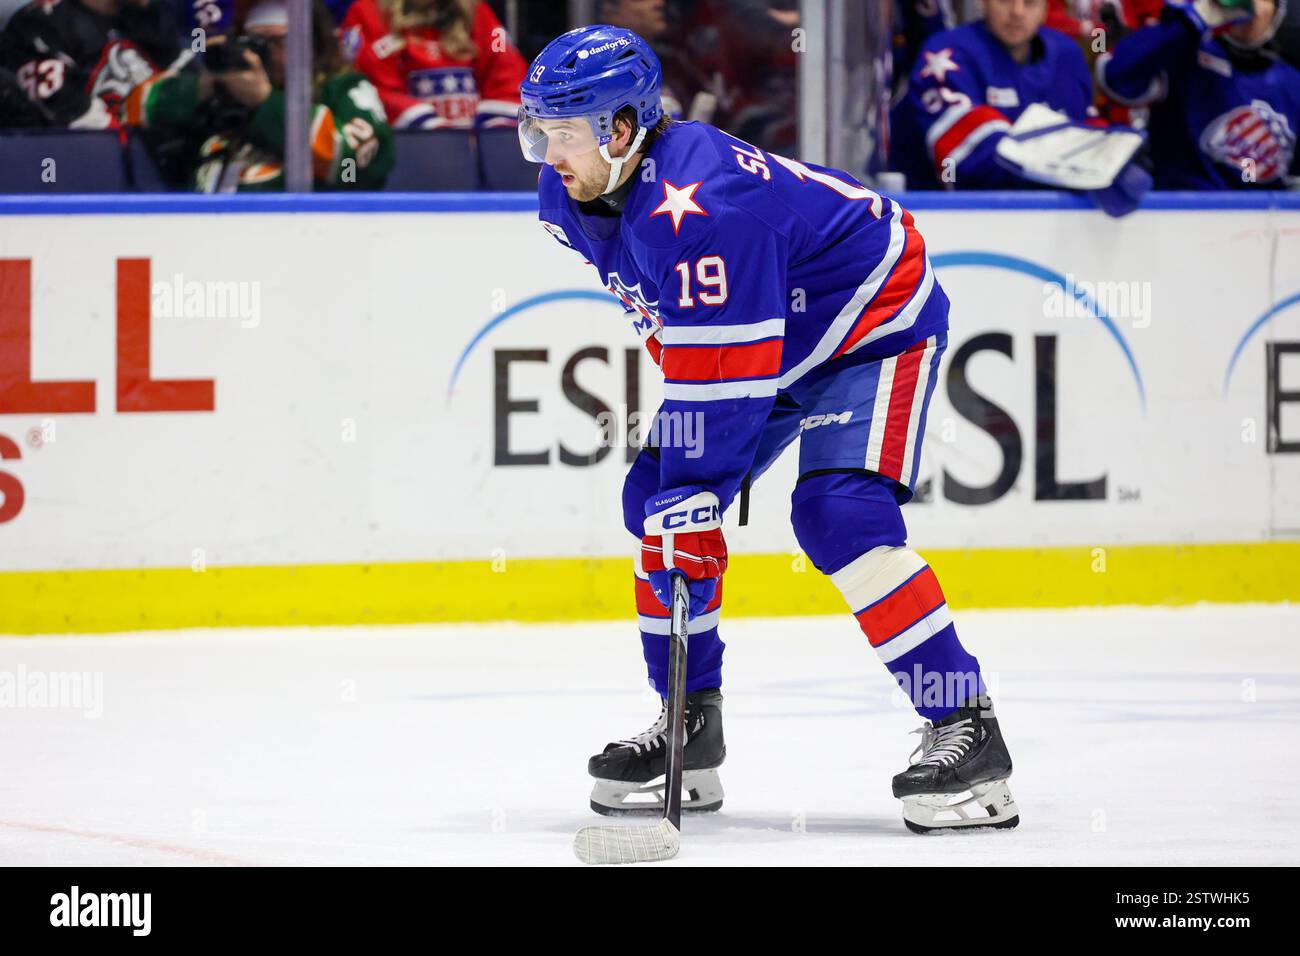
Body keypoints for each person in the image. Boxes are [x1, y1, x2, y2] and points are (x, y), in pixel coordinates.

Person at [518, 24, 1019, 833]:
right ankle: (691, 724)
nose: (546, 153)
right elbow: (687, 331)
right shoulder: (570, 196)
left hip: (869, 324)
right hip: (765, 337)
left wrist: (701, 492)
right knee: (653, 499)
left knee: (839, 515)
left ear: (619, 129)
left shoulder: (709, 208)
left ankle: (967, 726)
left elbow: (728, 371)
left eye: (563, 133)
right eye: (534, 129)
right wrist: (684, 495)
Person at [890, 0, 1149, 214]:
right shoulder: (946, 54)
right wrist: (1083, 168)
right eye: (1005, 0)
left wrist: (1116, 158)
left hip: (1040, 226)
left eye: (1030, 2)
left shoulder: (1066, 54)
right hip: (940, 223)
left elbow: (1085, 128)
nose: (1017, 12)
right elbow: (976, 160)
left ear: (1046, 8)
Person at [122, 0, 394, 191]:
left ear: (311, 44)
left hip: (303, 241)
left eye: (277, 42)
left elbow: (354, 170)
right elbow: (135, 111)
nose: (263, 53)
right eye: (251, 41)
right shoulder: (224, 92)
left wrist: (266, 102)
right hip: (206, 242)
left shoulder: (342, 89)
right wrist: (202, 88)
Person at [1096, 0, 1300, 188]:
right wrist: (1191, 21)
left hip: (1261, 219)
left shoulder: (1292, 81)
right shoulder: (1185, 53)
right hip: (1183, 212)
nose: (1252, 7)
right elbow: (1116, 78)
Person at [339, 0, 525, 129]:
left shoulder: (477, 13)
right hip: (409, 156)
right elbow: (369, 88)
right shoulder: (368, 14)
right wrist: (430, 127)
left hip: (474, 154)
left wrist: (492, 130)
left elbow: (508, 75)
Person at [0, 0, 181, 128]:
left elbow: (191, 87)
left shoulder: (152, 20)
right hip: (87, 171)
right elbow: (74, 119)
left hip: (155, 169)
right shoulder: (41, 25)